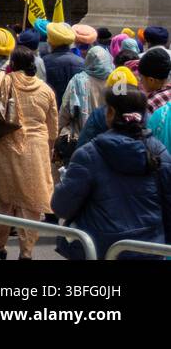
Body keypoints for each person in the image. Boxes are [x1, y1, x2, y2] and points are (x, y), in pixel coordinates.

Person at [52, 84, 171, 259]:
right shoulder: (158, 151)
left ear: (110, 112)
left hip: (100, 248)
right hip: (149, 247)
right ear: (144, 114)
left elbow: (61, 207)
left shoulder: (88, 154)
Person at [0, 46, 58, 259]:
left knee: (0, 200)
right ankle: (26, 251)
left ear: (11, 63)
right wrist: (48, 153)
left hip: (2, 148)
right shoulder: (45, 90)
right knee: (30, 204)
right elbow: (52, 129)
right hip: (36, 150)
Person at [43, 23, 84, 105]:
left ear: (51, 42)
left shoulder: (44, 61)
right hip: (74, 109)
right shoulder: (81, 62)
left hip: (51, 107)